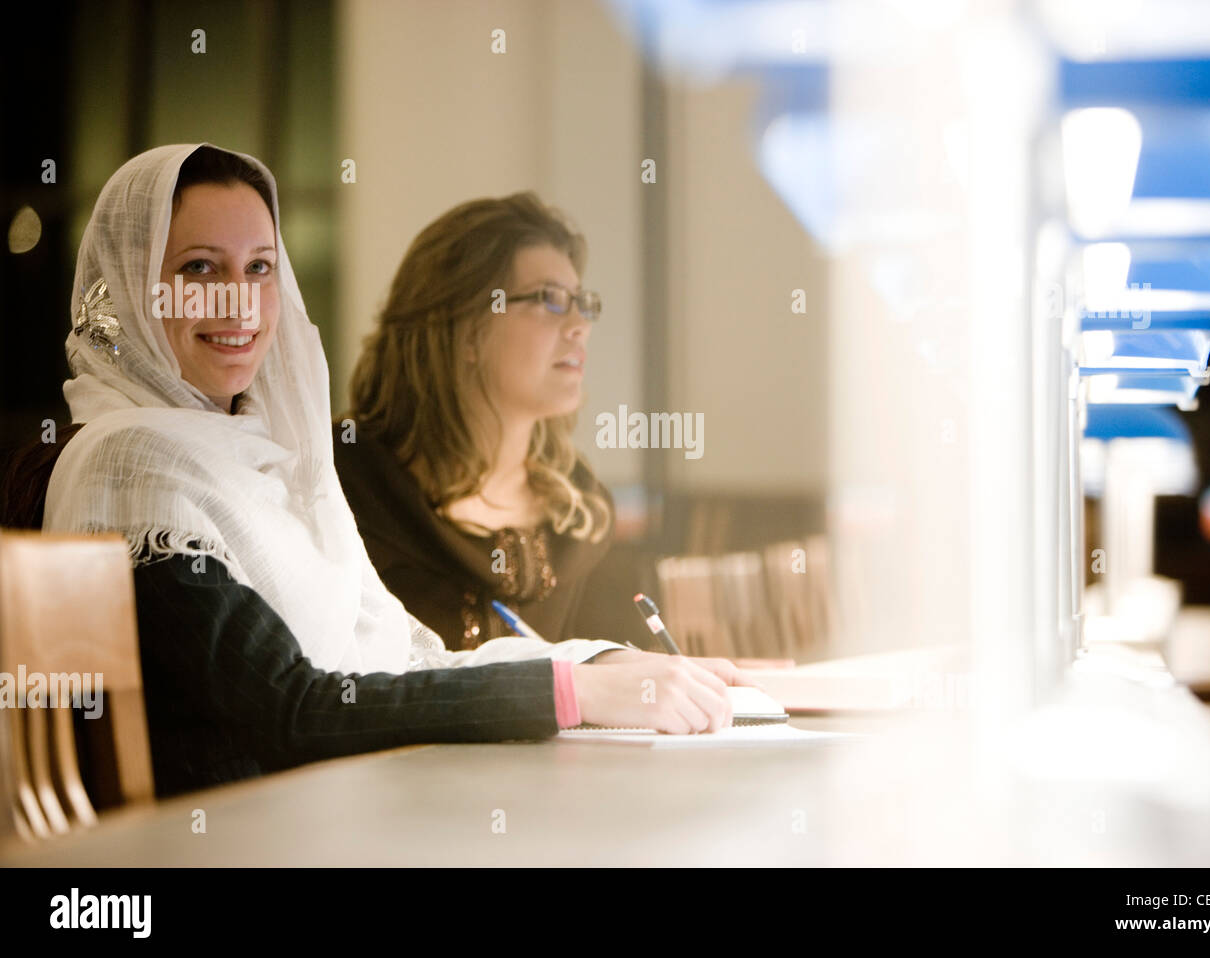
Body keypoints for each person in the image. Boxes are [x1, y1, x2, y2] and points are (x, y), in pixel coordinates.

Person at [40, 144, 752, 798]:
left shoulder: (269, 466)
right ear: (133, 290)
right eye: (199, 267)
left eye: (259, 267)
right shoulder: (132, 464)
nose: (239, 299)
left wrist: (603, 666)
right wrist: (570, 694)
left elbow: (408, 663)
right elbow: (294, 709)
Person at [336, 193, 616, 651]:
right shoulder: (349, 488)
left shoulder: (581, 512)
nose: (579, 325)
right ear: (465, 329)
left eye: (581, 302)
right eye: (549, 299)